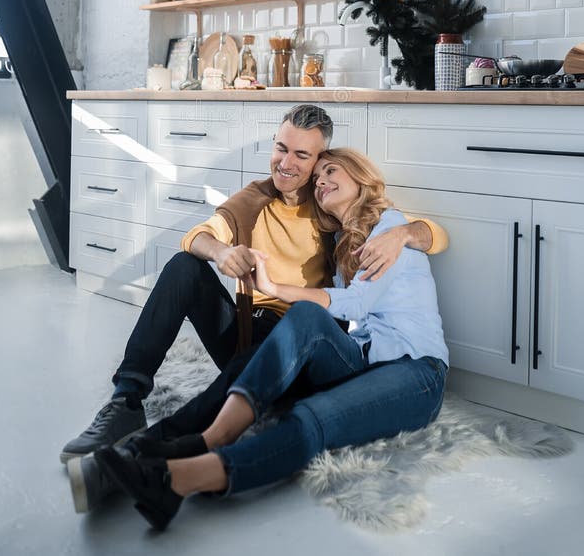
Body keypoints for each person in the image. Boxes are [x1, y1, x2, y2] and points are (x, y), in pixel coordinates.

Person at [61, 105, 446, 469]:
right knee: (184, 266)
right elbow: (197, 236)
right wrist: (221, 252)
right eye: (281, 148)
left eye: (302, 155)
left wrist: (403, 234)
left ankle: (165, 445)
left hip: (304, 338)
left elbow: (436, 236)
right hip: (247, 329)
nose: (287, 163)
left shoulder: (334, 206)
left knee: (289, 331)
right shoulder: (256, 198)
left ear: (319, 161)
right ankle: (126, 399)